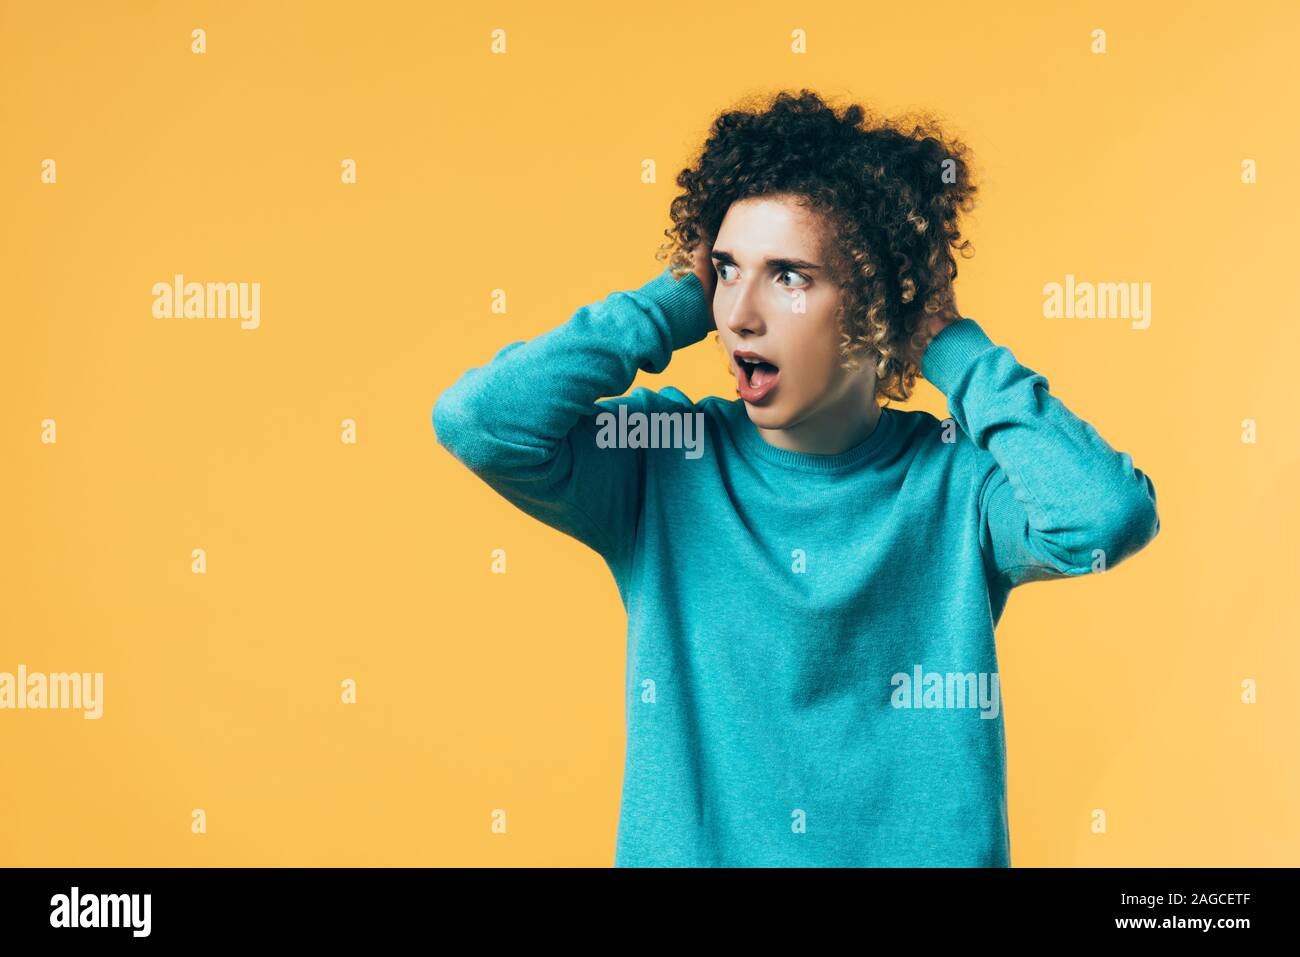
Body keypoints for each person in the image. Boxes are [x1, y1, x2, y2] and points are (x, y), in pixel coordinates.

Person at [432, 89, 1160, 866]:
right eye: (725, 269)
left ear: (876, 306)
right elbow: (479, 422)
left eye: (789, 276)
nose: (740, 314)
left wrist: (948, 343)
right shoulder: (661, 457)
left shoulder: (959, 482)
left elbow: (1105, 516)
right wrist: (676, 306)